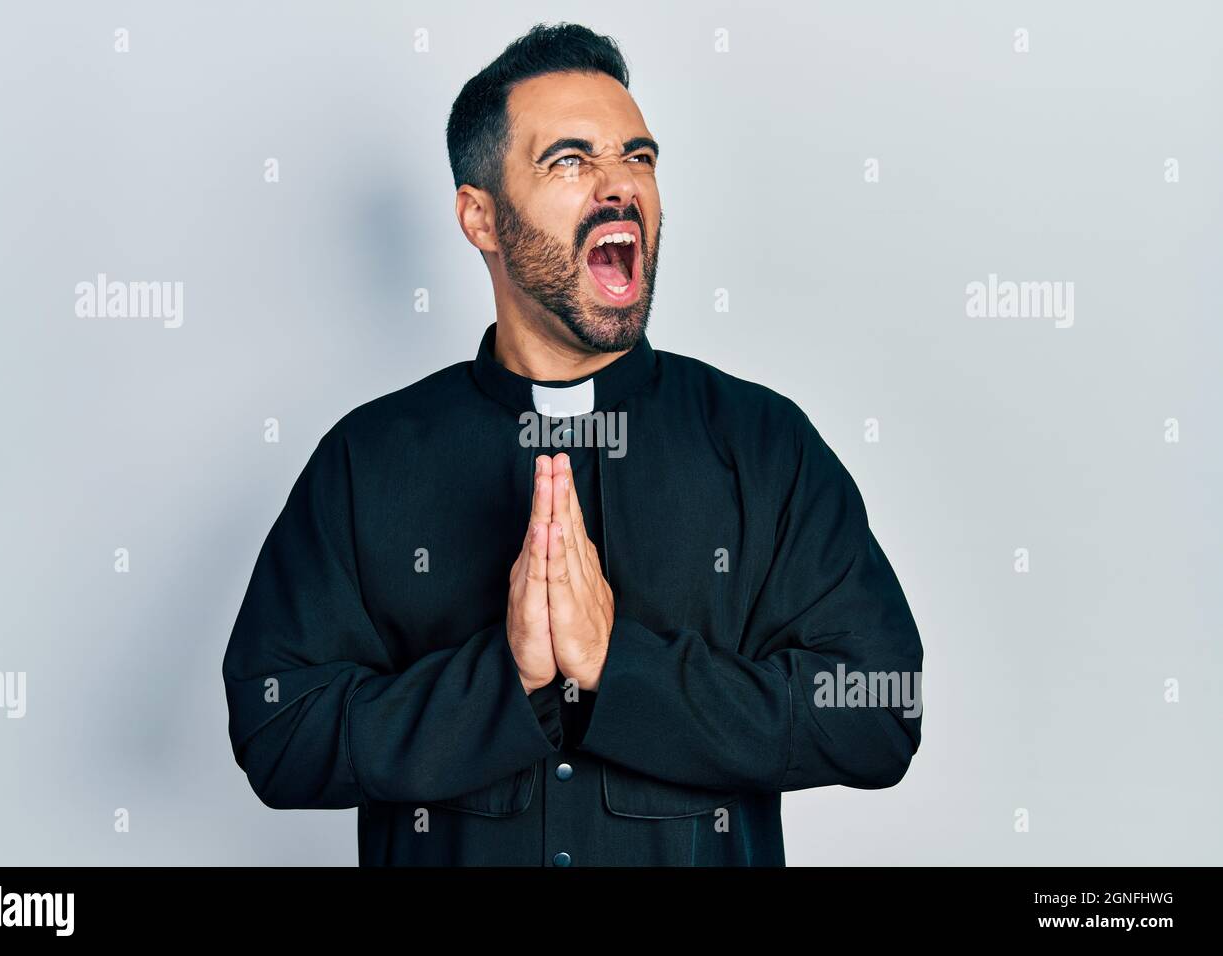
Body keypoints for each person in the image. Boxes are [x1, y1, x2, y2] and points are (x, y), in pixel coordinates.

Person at [221, 21, 923, 866]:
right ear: (479, 217)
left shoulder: (764, 444)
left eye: (639, 158)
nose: (620, 186)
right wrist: (504, 680)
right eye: (570, 162)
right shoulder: (367, 461)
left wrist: (619, 666)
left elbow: (884, 710)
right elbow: (275, 727)